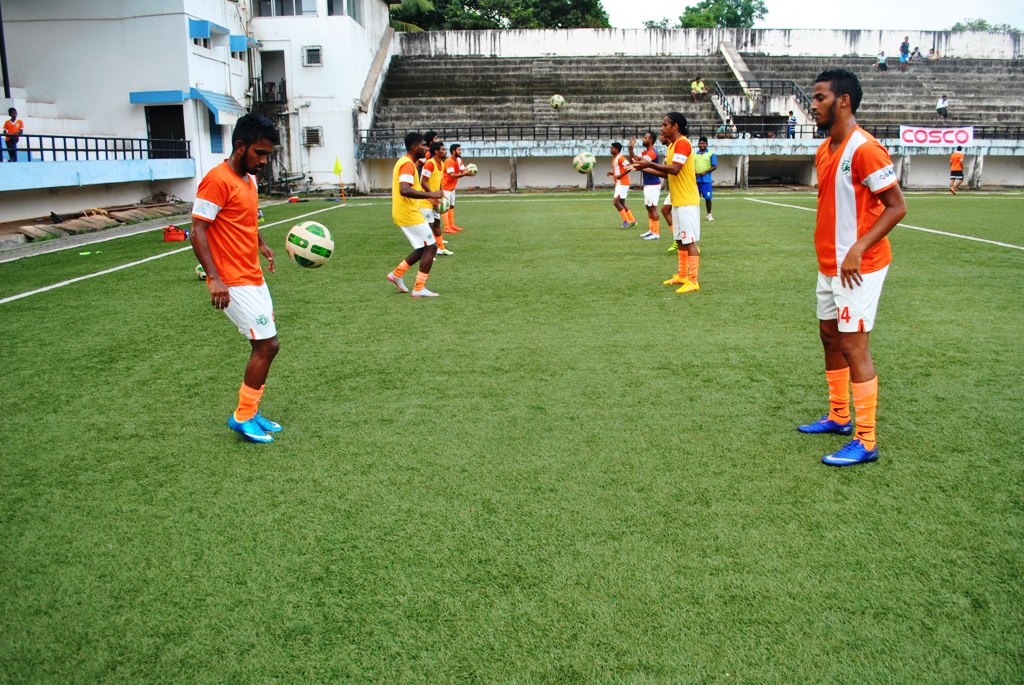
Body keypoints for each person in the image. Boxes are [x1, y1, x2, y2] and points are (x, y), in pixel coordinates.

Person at [800, 68, 907, 466]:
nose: (813, 105)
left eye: (820, 98)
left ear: (843, 100)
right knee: (829, 336)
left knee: (853, 345)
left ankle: (866, 439)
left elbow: (897, 206)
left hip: (859, 265)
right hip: (830, 263)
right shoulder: (825, 148)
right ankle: (839, 416)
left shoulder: (865, 149)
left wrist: (858, 247)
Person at [189, 113, 283, 444]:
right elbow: (197, 230)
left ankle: (251, 411)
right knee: (267, 345)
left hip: (252, 275)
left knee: (265, 345)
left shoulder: (248, 180)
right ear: (240, 146)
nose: (264, 161)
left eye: (268, 154)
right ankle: (243, 416)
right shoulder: (217, 180)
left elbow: (246, 218)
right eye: (260, 153)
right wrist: (214, 278)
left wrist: (262, 244)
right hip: (232, 280)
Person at [633, 112, 702, 294]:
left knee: (689, 241)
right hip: (677, 199)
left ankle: (693, 280)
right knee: (679, 239)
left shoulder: (683, 143)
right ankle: (682, 275)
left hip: (687, 200)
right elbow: (667, 173)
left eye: (665, 124)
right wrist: (643, 167)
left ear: (675, 126)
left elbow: (675, 169)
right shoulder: (672, 146)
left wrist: (649, 165)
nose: (661, 128)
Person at [387, 132, 444, 298]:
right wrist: (431, 194)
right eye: (423, 145)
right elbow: (404, 189)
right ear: (414, 147)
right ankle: (419, 287)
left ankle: (396, 274)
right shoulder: (407, 164)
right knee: (432, 247)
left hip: (407, 212)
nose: (426, 148)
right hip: (408, 213)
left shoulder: (406, 162)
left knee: (423, 247)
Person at [420, 140, 453, 255]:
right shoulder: (430, 164)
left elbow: (439, 181)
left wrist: (442, 194)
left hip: (436, 200)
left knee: (437, 224)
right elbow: (423, 182)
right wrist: (432, 196)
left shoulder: (442, 164)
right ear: (436, 151)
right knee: (429, 226)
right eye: (443, 149)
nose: (445, 151)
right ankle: (425, 252)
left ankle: (441, 248)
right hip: (425, 201)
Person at [629, 132, 663, 240]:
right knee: (648, 207)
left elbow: (639, 163)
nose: (643, 139)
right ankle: (651, 230)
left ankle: (656, 232)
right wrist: (630, 149)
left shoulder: (652, 152)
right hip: (648, 184)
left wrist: (635, 162)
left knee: (653, 207)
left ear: (651, 140)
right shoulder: (645, 152)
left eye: (645, 138)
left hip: (653, 184)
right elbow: (634, 160)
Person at [441, 143, 472, 234]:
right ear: (453, 151)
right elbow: (452, 175)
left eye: (460, 149)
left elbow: (463, 171)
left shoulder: (459, 160)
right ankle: (446, 227)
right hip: (445, 187)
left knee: (452, 206)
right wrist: (465, 174)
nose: (460, 151)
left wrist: (471, 173)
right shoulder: (449, 161)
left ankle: (452, 225)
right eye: (459, 150)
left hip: (452, 188)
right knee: (445, 207)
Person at [607, 142, 636, 229]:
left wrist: (621, 176)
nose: (610, 150)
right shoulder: (615, 158)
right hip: (621, 183)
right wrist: (612, 173)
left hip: (622, 183)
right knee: (622, 203)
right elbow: (619, 171)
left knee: (616, 202)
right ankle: (632, 220)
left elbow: (630, 167)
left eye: (612, 148)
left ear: (616, 149)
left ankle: (626, 221)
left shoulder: (620, 158)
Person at [694, 136, 717, 222]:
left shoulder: (711, 154)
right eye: (700, 143)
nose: (702, 145)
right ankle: (695, 215)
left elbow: (714, 166)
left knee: (708, 198)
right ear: (698, 144)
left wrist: (705, 172)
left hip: (706, 180)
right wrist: (694, 171)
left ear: (707, 144)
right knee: (695, 199)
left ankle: (709, 214)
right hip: (696, 180)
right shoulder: (694, 154)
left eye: (703, 143)